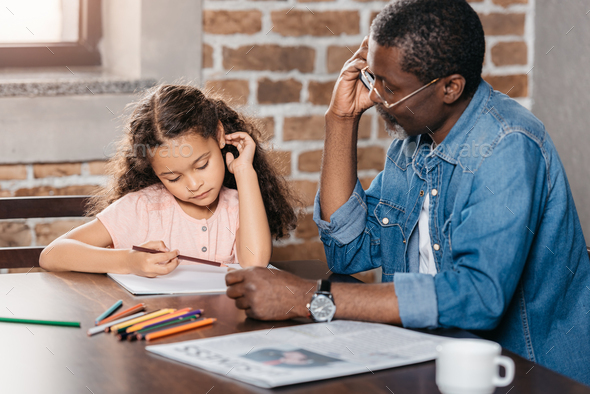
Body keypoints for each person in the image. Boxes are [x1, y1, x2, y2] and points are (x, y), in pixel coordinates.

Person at [226, 0, 590, 386]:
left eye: (391, 86)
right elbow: (346, 252)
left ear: (450, 87)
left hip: (524, 375)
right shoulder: (412, 145)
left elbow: (478, 297)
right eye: (373, 78)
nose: (378, 97)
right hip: (424, 358)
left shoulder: (507, 147)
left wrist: (309, 298)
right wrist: (341, 120)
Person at [40, 84, 299, 277]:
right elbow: (52, 254)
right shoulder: (143, 207)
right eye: (173, 177)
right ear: (154, 170)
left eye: (202, 165)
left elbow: (254, 264)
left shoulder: (239, 206)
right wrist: (129, 261)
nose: (193, 184)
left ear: (220, 135)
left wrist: (245, 171)